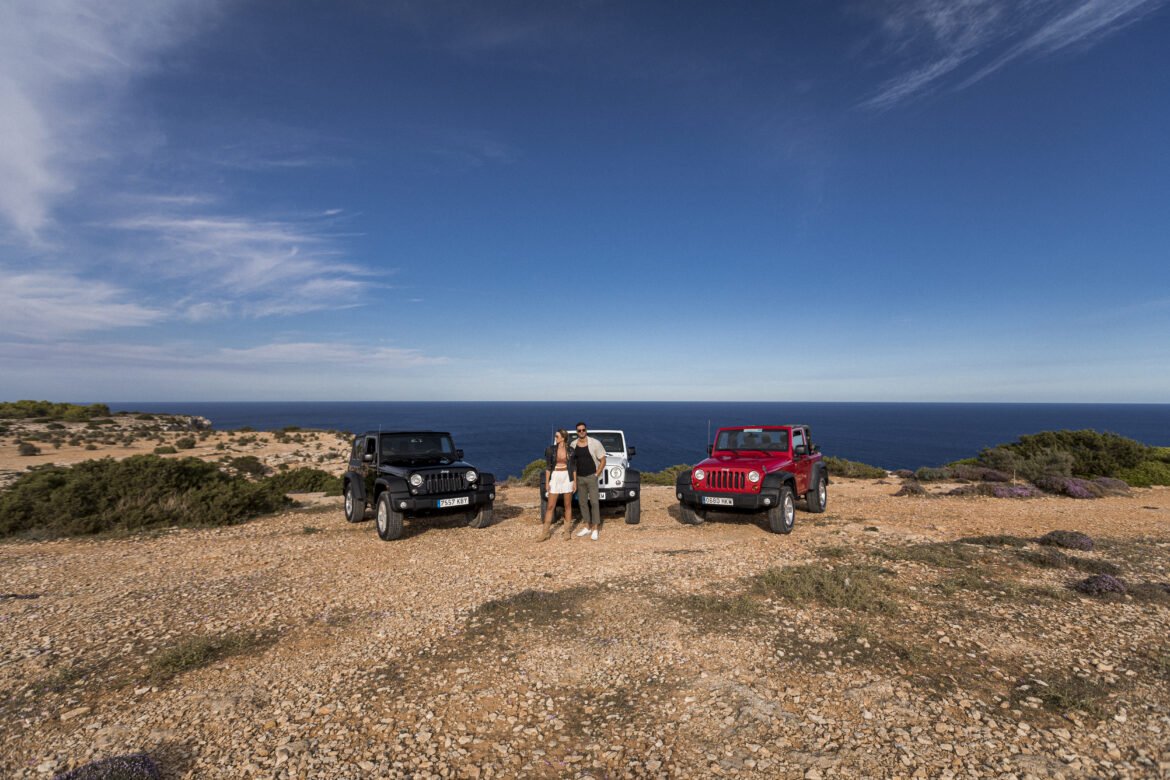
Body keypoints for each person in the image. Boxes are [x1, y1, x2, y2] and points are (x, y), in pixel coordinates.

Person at [571, 421, 607, 540]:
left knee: (594, 502)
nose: (581, 432)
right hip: (579, 478)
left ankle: (595, 528)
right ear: (577, 432)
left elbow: (603, 460)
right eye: (579, 430)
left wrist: (597, 474)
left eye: (583, 430)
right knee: (582, 503)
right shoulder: (573, 444)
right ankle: (587, 526)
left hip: (592, 477)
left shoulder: (595, 443)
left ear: (586, 430)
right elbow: (571, 462)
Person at [538, 429, 575, 542]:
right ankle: (545, 533)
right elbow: (548, 467)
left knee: (567, 505)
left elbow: (573, 468)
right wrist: (548, 482)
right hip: (555, 477)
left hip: (567, 477)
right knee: (550, 506)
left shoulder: (571, 450)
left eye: (557, 436)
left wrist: (575, 483)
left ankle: (567, 531)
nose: (556, 438)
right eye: (555, 436)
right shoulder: (550, 450)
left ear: (563, 438)